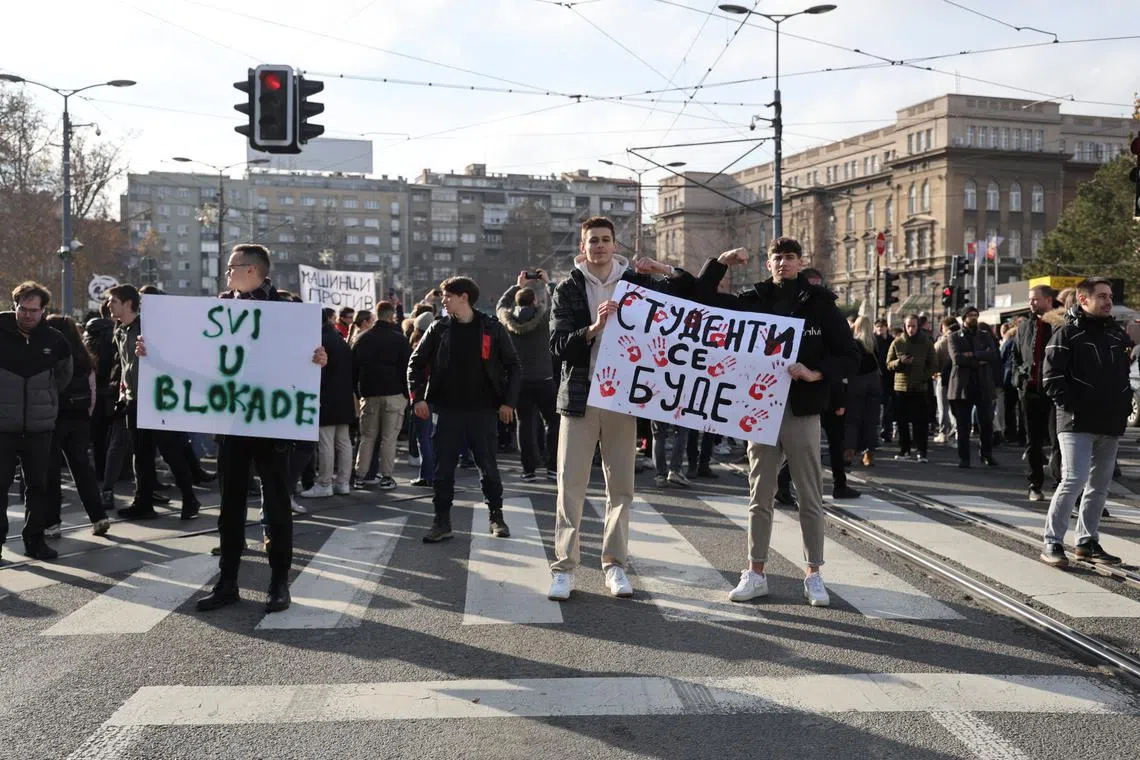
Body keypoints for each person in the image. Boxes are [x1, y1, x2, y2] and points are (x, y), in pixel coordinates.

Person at [138, 244, 328, 613]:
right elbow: (193, 356)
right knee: (230, 507)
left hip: (273, 424)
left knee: (275, 506)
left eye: (231, 267)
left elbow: (309, 359)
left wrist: (320, 358)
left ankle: (278, 583)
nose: (226, 273)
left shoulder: (287, 311)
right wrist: (154, 353)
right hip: (232, 424)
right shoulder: (219, 308)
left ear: (252, 271)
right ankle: (227, 582)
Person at [695, 238, 858, 607]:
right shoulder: (754, 298)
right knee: (759, 495)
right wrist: (720, 261)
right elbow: (704, 302)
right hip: (760, 409)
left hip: (802, 408)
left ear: (801, 262)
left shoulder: (820, 304)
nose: (783, 263)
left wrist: (817, 373)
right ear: (768, 263)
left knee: (810, 495)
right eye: (776, 258)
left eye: (789, 257)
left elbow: (850, 355)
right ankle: (755, 573)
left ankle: (814, 574)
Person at [547, 217, 694, 601]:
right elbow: (558, 346)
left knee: (621, 488)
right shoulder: (567, 289)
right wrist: (594, 328)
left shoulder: (638, 284)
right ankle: (564, 568)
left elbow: (690, 297)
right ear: (583, 247)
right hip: (579, 397)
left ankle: (614, 565)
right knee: (570, 486)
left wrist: (661, 268)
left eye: (605, 240)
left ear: (615, 245)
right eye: (592, 240)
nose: (598, 246)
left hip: (623, 397)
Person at [407, 276, 521, 543]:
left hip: (483, 411)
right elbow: (415, 363)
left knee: (488, 468)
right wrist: (418, 399)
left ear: (464, 297)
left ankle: (496, 516)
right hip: (448, 411)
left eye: (448, 296)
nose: (443, 301)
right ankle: (441, 521)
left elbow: (514, 366)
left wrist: (508, 402)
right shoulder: (439, 328)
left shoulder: (492, 328)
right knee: (443, 470)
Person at [1039, 278, 1131, 567]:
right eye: (1102, 296)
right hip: (1076, 421)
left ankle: (1087, 542)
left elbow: (1122, 378)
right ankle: (1052, 541)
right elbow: (1051, 380)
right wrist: (1074, 406)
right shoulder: (1066, 334)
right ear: (1083, 299)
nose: (1108, 301)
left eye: (1110, 296)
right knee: (1074, 479)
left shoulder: (1116, 336)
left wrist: (1122, 406)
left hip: (1109, 422)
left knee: (1100, 486)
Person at [107, 284, 200, 520]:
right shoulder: (120, 330)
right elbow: (126, 367)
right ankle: (143, 502)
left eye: (113, 301)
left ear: (128, 303)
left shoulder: (150, 329)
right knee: (141, 453)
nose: (109, 305)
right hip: (134, 400)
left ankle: (190, 499)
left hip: (157, 400)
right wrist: (123, 393)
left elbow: (173, 358)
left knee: (171, 452)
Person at [0, 281, 73, 562]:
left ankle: (35, 540)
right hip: (3, 427)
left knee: (39, 487)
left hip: (40, 427)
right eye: (23, 309)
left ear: (44, 310)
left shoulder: (55, 340)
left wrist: (46, 400)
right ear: (14, 306)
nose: (28, 315)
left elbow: (64, 377)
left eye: (34, 310)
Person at [43, 315, 111, 537]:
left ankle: (52, 523)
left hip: (54, 419)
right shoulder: (84, 356)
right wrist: (86, 415)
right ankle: (98, 516)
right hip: (80, 418)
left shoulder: (52, 355)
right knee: (83, 470)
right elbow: (91, 393)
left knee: (51, 472)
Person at [497, 270, 560, 483]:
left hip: (520, 382)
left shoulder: (507, 321)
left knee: (524, 423)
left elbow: (500, 305)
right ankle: (552, 467)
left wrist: (517, 285)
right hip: (544, 379)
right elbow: (558, 304)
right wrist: (547, 282)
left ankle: (528, 470)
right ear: (534, 300)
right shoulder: (543, 320)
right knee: (553, 422)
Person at [1011, 285, 1064, 501]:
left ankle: (1060, 483)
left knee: (1058, 441)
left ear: (1049, 300)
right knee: (1033, 441)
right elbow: (1016, 356)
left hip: (1055, 394)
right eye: (1030, 299)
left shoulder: (1060, 324)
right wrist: (1019, 377)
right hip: (1030, 391)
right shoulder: (1024, 326)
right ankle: (1035, 484)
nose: (1031, 303)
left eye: (1036, 299)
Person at [352, 300, 411, 489]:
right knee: (388, 438)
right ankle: (386, 476)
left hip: (369, 394)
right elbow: (408, 368)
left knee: (367, 437)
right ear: (392, 315)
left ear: (376, 315)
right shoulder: (399, 339)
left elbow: (353, 368)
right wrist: (405, 393)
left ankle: (360, 476)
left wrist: (359, 390)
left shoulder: (362, 338)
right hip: (394, 394)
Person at [301, 309, 355, 498]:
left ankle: (325, 483)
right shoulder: (340, 340)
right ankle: (343, 482)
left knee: (326, 442)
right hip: (344, 397)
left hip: (326, 396)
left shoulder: (319, 341)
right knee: (343, 441)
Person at [948, 305, 1000, 468]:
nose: (973, 318)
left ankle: (986, 453)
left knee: (986, 423)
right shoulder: (954, 337)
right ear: (963, 319)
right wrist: (980, 357)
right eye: (970, 315)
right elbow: (957, 359)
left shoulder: (984, 335)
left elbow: (992, 355)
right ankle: (964, 458)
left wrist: (972, 355)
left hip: (983, 384)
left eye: (975, 315)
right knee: (963, 426)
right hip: (962, 386)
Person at [886, 314, 938, 463]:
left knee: (920, 422)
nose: (911, 329)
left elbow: (933, 365)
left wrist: (922, 376)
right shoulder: (897, 342)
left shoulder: (926, 343)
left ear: (918, 326)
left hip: (919, 388)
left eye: (913, 326)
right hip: (901, 387)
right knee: (902, 422)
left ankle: (921, 452)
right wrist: (900, 362)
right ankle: (905, 450)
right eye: (908, 326)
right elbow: (888, 364)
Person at [845, 316, 882, 468]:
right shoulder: (875, 343)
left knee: (853, 419)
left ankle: (849, 451)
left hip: (856, 383)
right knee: (871, 420)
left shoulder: (854, 343)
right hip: (874, 383)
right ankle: (868, 454)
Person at [932, 317, 959, 444]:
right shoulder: (961, 341)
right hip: (958, 379)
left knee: (943, 408)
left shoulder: (941, 344)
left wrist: (934, 373)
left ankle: (943, 432)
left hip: (942, 378)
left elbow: (933, 363)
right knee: (956, 408)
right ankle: (958, 430)